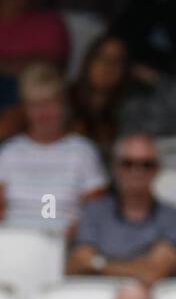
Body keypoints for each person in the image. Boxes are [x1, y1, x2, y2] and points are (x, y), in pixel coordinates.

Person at [67, 133, 176, 286]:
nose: (137, 171)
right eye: (128, 163)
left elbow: (154, 272)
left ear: (158, 169)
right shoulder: (93, 212)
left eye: (146, 164)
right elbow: (76, 265)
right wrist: (138, 267)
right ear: (115, 168)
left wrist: (98, 263)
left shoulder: (175, 217)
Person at [0, 63, 107, 234]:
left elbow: (98, 213)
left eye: (50, 104)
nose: (43, 114)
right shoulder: (8, 154)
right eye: (36, 105)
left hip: (67, 247)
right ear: (25, 109)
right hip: (14, 245)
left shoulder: (83, 152)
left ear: (63, 105)